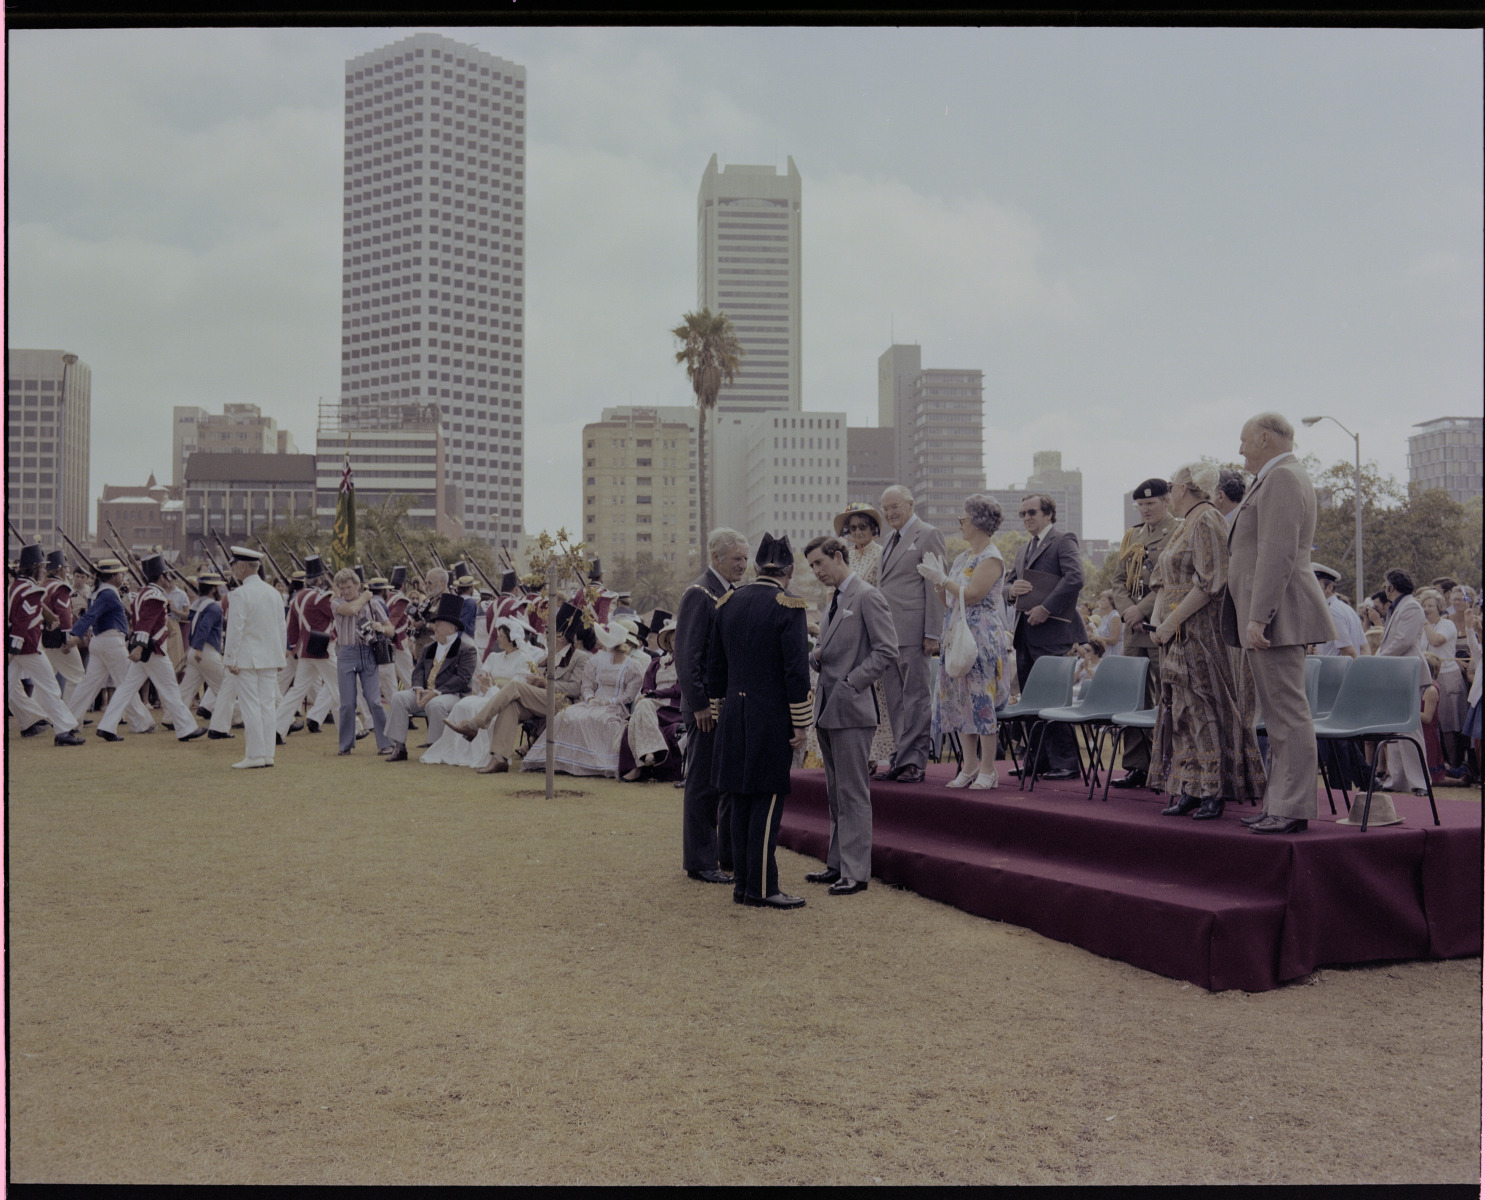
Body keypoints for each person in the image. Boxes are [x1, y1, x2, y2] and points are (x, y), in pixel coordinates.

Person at [1220, 412, 1336, 834]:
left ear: (1265, 438)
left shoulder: (1283, 477)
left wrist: (1259, 616)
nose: (1240, 449)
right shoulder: (1274, 477)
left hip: (1277, 616)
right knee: (1279, 716)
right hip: (1274, 615)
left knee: (1287, 714)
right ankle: (1280, 803)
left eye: (1244, 439)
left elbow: (1277, 553)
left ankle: (1291, 807)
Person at [1147, 463, 1266, 821]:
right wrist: (1159, 622)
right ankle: (1190, 786)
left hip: (1199, 631)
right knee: (1180, 710)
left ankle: (1212, 789)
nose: (1170, 491)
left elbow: (1211, 582)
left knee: (1202, 707)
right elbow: (1162, 581)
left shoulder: (1207, 519)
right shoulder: (1185, 524)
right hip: (1175, 632)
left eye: (1172, 485)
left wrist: (1170, 622)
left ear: (1185, 488)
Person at [707, 533, 812, 909]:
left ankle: (743, 884)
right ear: (789, 570)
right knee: (766, 803)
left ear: (755, 567)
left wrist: (719, 711)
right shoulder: (789, 605)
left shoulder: (728, 602)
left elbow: (715, 667)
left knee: (739, 801)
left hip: (733, 714)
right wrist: (800, 722)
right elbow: (796, 672)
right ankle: (763, 888)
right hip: (770, 716)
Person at [802, 535, 898, 895]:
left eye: (819, 563)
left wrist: (851, 683)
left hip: (853, 709)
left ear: (838, 557)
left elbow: (886, 650)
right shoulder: (835, 599)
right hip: (827, 708)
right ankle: (838, 864)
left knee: (853, 793)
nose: (816, 571)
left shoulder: (867, 596)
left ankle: (856, 873)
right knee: (835, 793)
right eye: (811, 565)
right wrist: (814, 656)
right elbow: (829, 649)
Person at [919, 494, 1011, 790]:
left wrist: (944, 580)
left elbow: (972, 594)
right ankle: (969, 765)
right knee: (961, 700)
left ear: (978, 520)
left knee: (981, 699)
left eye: (964, 518)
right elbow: (949, 600)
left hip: (980, 635)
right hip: (957, 631)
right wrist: (938, 581)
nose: (960, 523)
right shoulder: (962, 558)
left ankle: (988, 769)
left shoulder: (991, 558)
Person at [676, 528, 750, 884]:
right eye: (737, 558)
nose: (743, 565)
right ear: (716, 557)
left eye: (746, 558)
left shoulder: (727, 592)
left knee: (723, 782)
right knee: (703, 784)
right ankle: (700, 862)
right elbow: (686, 656)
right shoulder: (699, 592)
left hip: (723, 704)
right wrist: (700, 704)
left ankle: (725, 855)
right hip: (705, 707)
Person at [444, 602, 595, 774]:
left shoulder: (580, 657)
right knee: (511, 706)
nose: (546, 635)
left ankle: (474, 725)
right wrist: (536, 680)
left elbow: (575, 689)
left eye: (550, 632)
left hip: (562, 703)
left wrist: (545, 683)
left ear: (561, 636)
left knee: (515, 686)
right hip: (542, 700)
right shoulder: (549, 656)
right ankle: (500, 759)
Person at [1005, 492, 1087, 780]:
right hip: (1025, 634)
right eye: (1023, 514)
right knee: (1031, 699)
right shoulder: (1022, 549)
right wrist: (1011, 591)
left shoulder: (1063, 540)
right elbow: (1007, 583)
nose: (1026, 518)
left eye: (1032, 512)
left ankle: (1066, 762)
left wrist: (1046, 608)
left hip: (1053, 633)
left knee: (1052, 698)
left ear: (1049, 513)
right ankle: (1038, 759)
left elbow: (1075, 577)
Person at [1107, 478, 1183, 789]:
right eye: (1140, 505)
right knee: (1134, 696)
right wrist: (1129, 610)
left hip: (1161, 625)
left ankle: (1169, 766)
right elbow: (1118, 581)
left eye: (1150, 503)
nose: (1145, 509)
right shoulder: (1133, 535)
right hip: (1134, 628)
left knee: (1169, 695)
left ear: (1167, 501)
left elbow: (1173, 580)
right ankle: (1137, 765)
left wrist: (1142, 609)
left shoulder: (1179, 531)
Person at [875, 485, 948, 783]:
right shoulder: (888, 540)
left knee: (916, 699)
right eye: (885, 508)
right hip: (887, 634)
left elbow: (936, 586)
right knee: (895, 700)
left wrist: (933, 632)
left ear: (910, 504)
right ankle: (899, 758)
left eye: (895, 506)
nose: (890, 513)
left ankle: (915, 761)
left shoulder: (928, 534)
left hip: (915, 632)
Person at [95, 553, 206, 745]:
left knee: (126, 689)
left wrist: (139, 646)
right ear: (161, 576)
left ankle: (106, 725)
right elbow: (146, 624)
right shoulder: (155, 596)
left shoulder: (141, 594)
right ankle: (186, 728)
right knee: (170, 690)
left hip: (146, 649)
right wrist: (140, 647)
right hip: (153, 650)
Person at [522, 618, 646, 777]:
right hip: (593, 702)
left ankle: (597, 763)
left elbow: (629, 694)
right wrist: (590, 698)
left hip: (615, 706)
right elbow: (586, 685)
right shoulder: (597, 661)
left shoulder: (632, 667)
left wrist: (611, 701)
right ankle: (562, 760)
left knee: (600, 720)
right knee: (566, 716)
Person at [422, 616, 543, 768]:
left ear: (511, 638)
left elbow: (518, 687)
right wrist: (485, 683)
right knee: (463, 704)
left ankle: (481, 751)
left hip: (507, 699)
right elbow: (483, 680)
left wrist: (494, 684)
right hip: (488, 693)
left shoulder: (524, 659)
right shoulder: (494, 657)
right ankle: (460, 750)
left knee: (477, 707)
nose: (498, 639)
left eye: (501, 636)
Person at [833, 500, 896, 775]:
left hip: (870, 629)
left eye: (862, 527)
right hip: (845, 632)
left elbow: (884, 594)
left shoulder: (881, 555)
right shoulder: (844, 556)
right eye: (852, 528)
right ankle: (850, 752)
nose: (857, 532)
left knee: (872, 693)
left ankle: (872, 756)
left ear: (873, 529)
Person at [6, 543, 86, 746]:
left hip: (21, 649)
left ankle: (58, 726)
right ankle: (63, 730)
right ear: (34, 567)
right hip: (28, 649)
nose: (43, 570)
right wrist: (12, 651)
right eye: (41, 566)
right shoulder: (30, 591)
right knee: (51, 689)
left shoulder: (16, 586)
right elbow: (21, 624)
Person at [384, 592, 478, 762]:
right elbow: (418, 671)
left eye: (439, 624)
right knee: (398, 697)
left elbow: (462, 679)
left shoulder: (466, 649)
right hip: (425, 692)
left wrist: (436, 692)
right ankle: (399, 747)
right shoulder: (430, 647)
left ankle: (435, 748)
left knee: (436, 704)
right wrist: (418, 688)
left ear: (451, 628)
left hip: (452, 694)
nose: (435, 627)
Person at [221, 547, 288, 769]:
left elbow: (235, 629)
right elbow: (281, 627)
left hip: (247, 657)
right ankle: (267, 753)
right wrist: (280, 657)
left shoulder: (240, 594)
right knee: (267, 705)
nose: (233, 570)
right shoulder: (274, 593)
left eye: (234, 566)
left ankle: (255, 754)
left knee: (250, 705)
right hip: (269, 656)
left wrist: (230, 658)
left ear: (241, 567)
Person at [330, 568, 393, 756]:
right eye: (342, 588)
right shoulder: (337, 602)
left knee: (374, 700)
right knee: (347, 703)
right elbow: (350, 610)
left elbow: (391, 629)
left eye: (349, 587)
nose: (345, 591)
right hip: (346, 654)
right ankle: (345, 745)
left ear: (357, 585)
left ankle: (386, 743)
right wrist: (365, 596)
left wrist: (381, 628)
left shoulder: (374, 604)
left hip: (368, 652)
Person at [275, 556, 337, 742]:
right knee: (339, 687)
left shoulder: (298, 598)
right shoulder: (322, 598)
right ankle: (354, 729)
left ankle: (276, 728)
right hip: (323, 648)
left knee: (296, 692)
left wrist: (292, 646)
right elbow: (338, 615)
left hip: (305, 650)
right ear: (320, 580)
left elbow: (291, 626)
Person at [619, 618, 686, 782]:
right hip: (653, 703)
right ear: (668, 642)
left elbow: (678, 689)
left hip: (672, 706)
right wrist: (649, 694)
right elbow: (646, 686)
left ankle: (641, 764)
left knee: (641, 708)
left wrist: (655, 694)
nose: (676, 642)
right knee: (641, 708)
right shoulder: (657, 663)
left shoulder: (686, 663)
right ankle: (648, 754)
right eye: (673, 639)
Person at [1418, 589, 1468, 772]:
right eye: (1424, 605)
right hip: (1428, 678)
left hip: (1447, 677)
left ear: (1439, 607)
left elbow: (1436, 641)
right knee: (1433, 724)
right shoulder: (1422, 628)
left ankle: (1454, 766)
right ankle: (1437, 764)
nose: (1427, 609)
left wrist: (1425, 624)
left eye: (1430, 605)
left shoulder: (1446, 624)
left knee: (1449, 725)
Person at [177, 572, 227, 716]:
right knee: (225, 687)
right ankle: (236, 717)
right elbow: (204, 628)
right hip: (206, 650)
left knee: (186, 689)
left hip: (195, 649)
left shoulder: (197, 605)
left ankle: (171, 717)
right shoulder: (213, 607)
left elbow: (194, 627)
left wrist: (192, 648)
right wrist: (198, 648)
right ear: (213, 589)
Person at [40, 551, 85, 699]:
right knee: (77, 675)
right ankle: (70, 710)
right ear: (60, 569)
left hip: (44, 636)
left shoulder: (43, 585)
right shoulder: (60, 587)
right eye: (65, 568)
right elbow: (64, 615)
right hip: (59, 637)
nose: (67, 571)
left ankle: (39, 711)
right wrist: (67, 640)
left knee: (46, 679)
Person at [1312, 564, 1362, 658]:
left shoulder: (1332, 611)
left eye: (1315, 585)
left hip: (1336, 667)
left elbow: (1348, 651)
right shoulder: (1347, 609)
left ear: (1329, 587)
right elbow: (1364, 647)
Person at [1072, 636, 1105, 701]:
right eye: (1085, 649)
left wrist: (1088, 669)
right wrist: (1079, 670)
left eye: (1088, 651)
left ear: (1096, 652)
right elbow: (1072, 682)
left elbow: (1099, 683)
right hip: (1077, 690)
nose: (1085, 652)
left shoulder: (1103, 664)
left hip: (1093, 692)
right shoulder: (1080, 662)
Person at [1091, 592, 1123, 657]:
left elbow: (1114, 640)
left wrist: (1095, 638)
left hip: (1113, 653)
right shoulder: (1104, 617)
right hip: (1105, 652)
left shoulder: (1115, 616)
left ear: (1111, 602)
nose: (1100, 602)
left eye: (1103, 600)